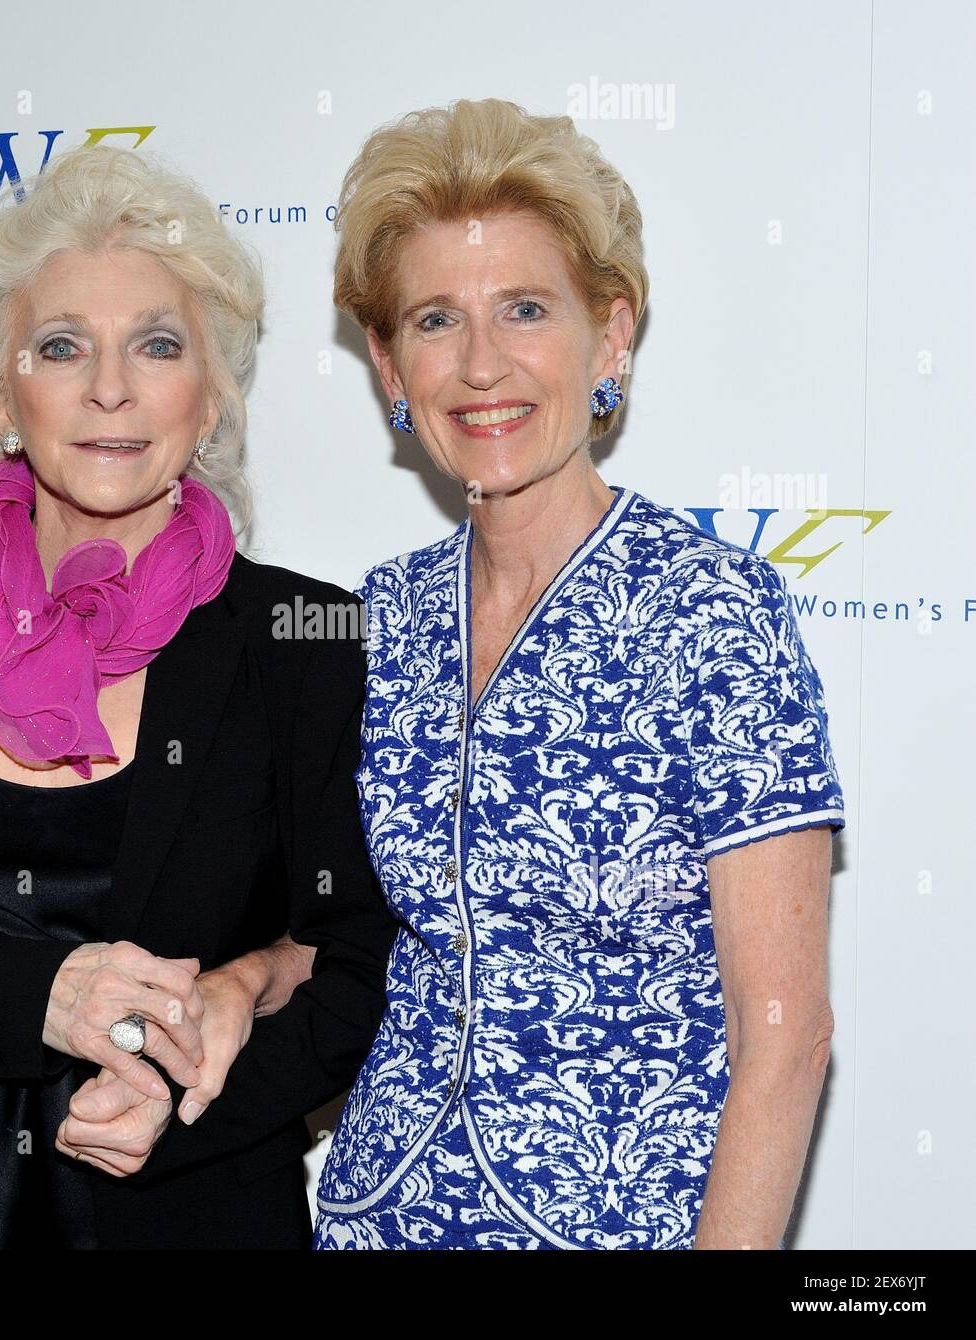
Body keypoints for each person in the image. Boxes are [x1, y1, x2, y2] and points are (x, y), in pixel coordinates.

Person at [0, 143, 396, 1250]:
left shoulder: (300, 638)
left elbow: (352, 964)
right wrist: (31, 994)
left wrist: (181, 1107)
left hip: (185, 1219)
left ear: (211, 396)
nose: (110, 387)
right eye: (61, 347)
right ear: (1, 394)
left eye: (157, 343)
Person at [313, 99, 846, 1250]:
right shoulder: (383, 615)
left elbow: (786, 1032)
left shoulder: (711, 612)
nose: (481, 363)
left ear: (610, 337)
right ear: (388, 364)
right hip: (372, 1216)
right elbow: (341, 933)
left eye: (524, 309)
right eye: (435, 319)